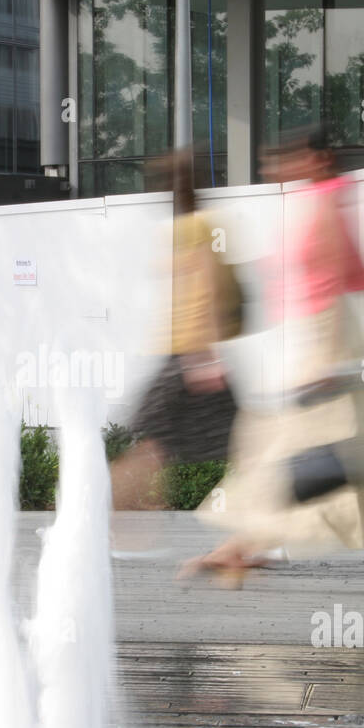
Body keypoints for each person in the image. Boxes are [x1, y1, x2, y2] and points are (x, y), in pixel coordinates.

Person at [191, 128, 364, 596]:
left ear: (318, 159)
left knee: (281, 441)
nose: (276, 167)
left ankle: (243, 544)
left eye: (287, 157)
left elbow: (339, 278)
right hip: (323, 339)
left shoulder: (329, 200)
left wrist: (332, 359)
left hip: (332, 342)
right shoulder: (313, 201)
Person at [110, 148, 243, 527]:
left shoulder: (174, 231)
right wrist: (208, 357)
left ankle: (111, 518)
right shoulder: (204, 226)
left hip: (175, 354)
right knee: (245, 443)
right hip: (192, 356)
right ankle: (109, 516)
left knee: (154, 444)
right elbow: (210, 291)